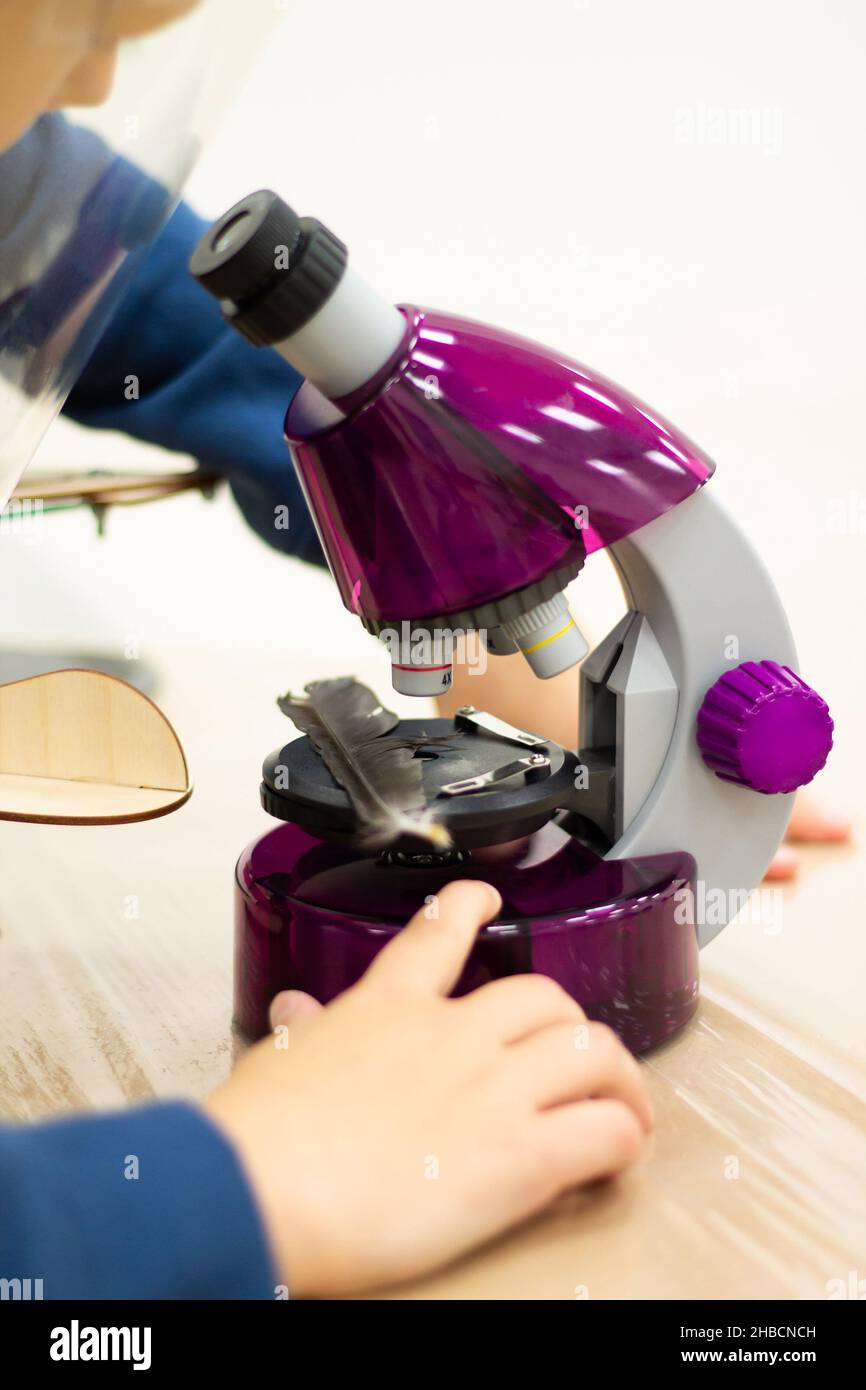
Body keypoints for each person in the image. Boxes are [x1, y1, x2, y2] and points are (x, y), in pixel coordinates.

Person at [0, 0, 847, 1300]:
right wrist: (238, 1184)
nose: (102, 82)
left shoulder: (24, 185)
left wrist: (586, 710)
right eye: (85, 17)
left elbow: (213, 361)